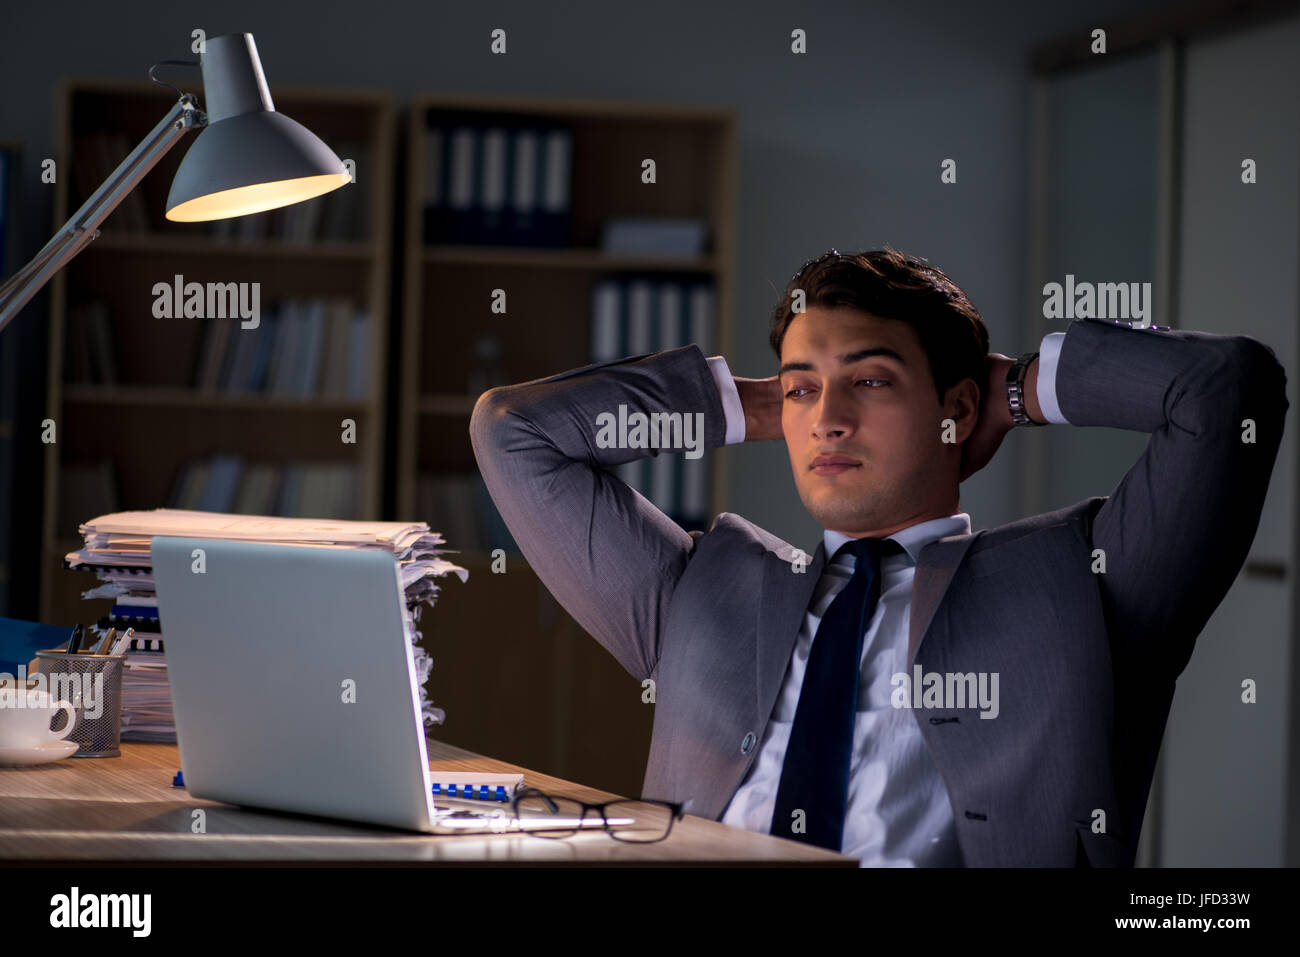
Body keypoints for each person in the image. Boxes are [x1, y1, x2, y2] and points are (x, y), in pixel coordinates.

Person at [469, 247, 1288, 866]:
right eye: (803, 389)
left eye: (871, 382)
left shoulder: (1088, 584)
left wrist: (1020, 391)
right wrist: (761, 401)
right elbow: (514, 431)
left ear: (955, 405)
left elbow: (1225, 391)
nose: (827, 418)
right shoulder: (700, 587)